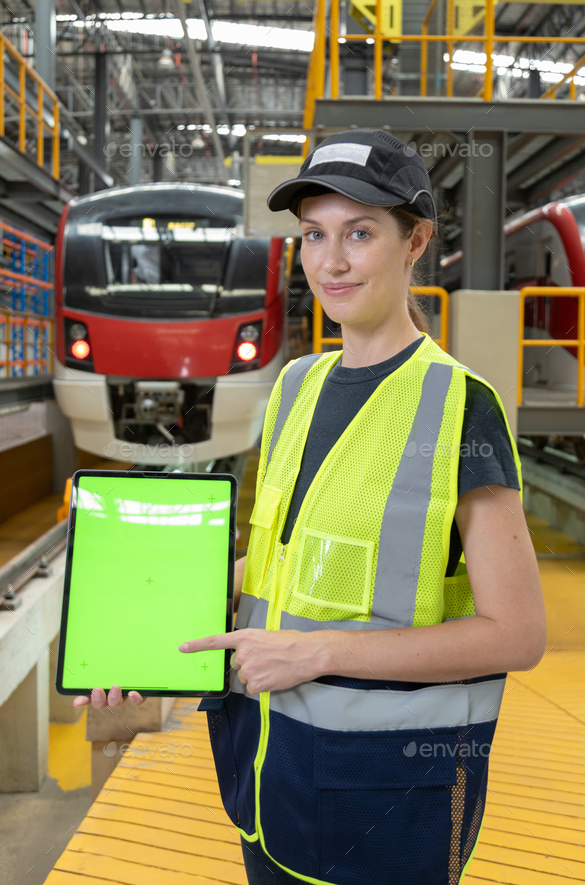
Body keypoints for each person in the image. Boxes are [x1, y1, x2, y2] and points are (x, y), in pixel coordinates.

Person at [75, 129, 546, 885]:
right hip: (269, 782)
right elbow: (281, 567)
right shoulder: (295, 385)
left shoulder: (460, 407)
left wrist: (321, 652)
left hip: (387, 807)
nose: (331, 262)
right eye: (314, 235)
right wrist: (139, 614)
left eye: (360, 233)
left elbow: (518, 633)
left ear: (415, 240)